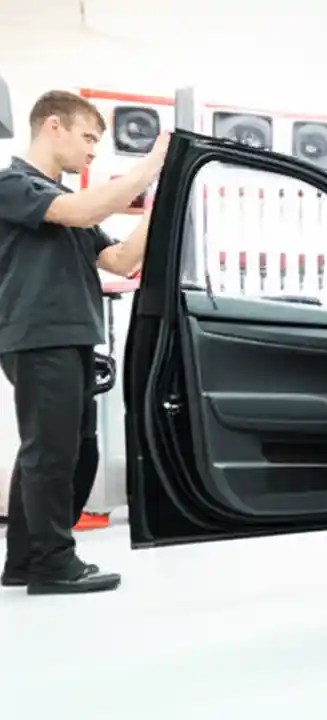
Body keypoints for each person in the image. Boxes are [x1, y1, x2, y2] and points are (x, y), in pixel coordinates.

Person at [0, 90, 170, 595]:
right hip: (39, 336)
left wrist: (158, 208)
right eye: (89, 138)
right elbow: (79, 212)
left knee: (64, 451)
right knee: (51, 454)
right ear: (54, 127)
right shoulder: (14, 185)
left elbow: (119, 261)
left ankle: (25, 560)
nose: (94, 150)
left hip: (71, 337)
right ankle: (54, 565)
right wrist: (152, 165)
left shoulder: (65, 205)